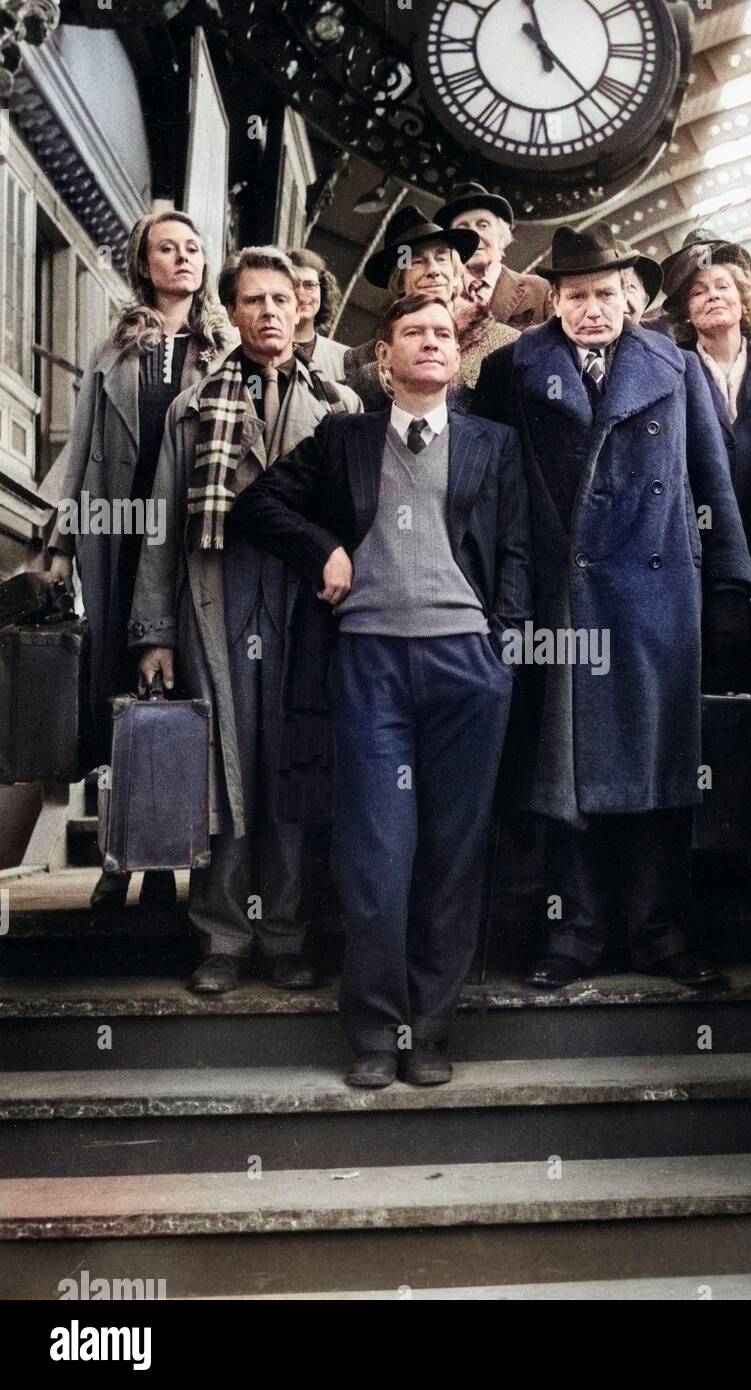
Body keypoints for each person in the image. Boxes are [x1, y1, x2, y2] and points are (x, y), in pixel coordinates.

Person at [231, 293, 530, 1088]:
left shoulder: (491, 444)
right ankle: (373, 1031)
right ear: (384, 358)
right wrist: (323, 547)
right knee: (376, 854)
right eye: (413, 334)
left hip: (466, 667)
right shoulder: (344, 437)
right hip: (368, 667)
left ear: (456, 354)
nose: (430, 343)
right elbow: (255, 504)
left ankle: (428, 1030)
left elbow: (519, 551)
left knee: (452, 854)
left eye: (442, 333)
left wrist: (502, 646)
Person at [473, 224, 751, 991]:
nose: (590, 308)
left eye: (603, 293)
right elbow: (490, 489)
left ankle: (659, 936)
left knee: (661, 776)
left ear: (629, 294)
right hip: (558, 603)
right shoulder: (510, 369)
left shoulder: (675, 364)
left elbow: (709, 478)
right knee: (566, 776)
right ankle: (575, 938)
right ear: (553, 302)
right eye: (574, 296)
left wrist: (729, 585)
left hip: (656, 600)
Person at [128, 247, 361, 995]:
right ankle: (224, 938)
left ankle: (287, 936)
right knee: (223, 774)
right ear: (230, 314)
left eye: (282, 300)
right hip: (215, 599)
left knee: (289, 771)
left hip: (302, 612)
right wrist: (154, 632)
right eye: (253, 300)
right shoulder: (192, 408)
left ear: (303, 310)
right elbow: (162, 525)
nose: (269, 312)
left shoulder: (337, 407)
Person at [46, 210, 231, 914]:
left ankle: (164, 862)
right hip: (120, 531)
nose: (182, 259)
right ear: (143, 264)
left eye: (193, 248)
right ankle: (123, 857)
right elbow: (84, 447)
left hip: (194, 533)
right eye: (167, 249)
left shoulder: (224, 345)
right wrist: (63, 543)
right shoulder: (111, 351)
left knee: (184, 683)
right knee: (122, 688)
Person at [667, 253, 751, 691]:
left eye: (722, 286)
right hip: (705, 546)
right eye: (698, 292)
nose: (712, 296)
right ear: (686, 311)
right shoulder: (673, 370)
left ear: (743, 301)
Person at [343, 206, 517, 413]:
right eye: (417, 261)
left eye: (442, 258)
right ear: (399, 282)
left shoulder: (507, 343)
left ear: (455, 276)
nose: (433, 270)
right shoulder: (361, 359)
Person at [437, 181, 549, 329]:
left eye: (483, 225)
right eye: (462, 228)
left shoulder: (539, 289)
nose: (474, 235)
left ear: (501, 234)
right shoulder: (439, 297)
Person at [287, 247, 349, 382]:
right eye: (293, 285)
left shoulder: (345, 359)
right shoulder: (257, 351)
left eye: (309, 285)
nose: (301, 296)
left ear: (322, 291)